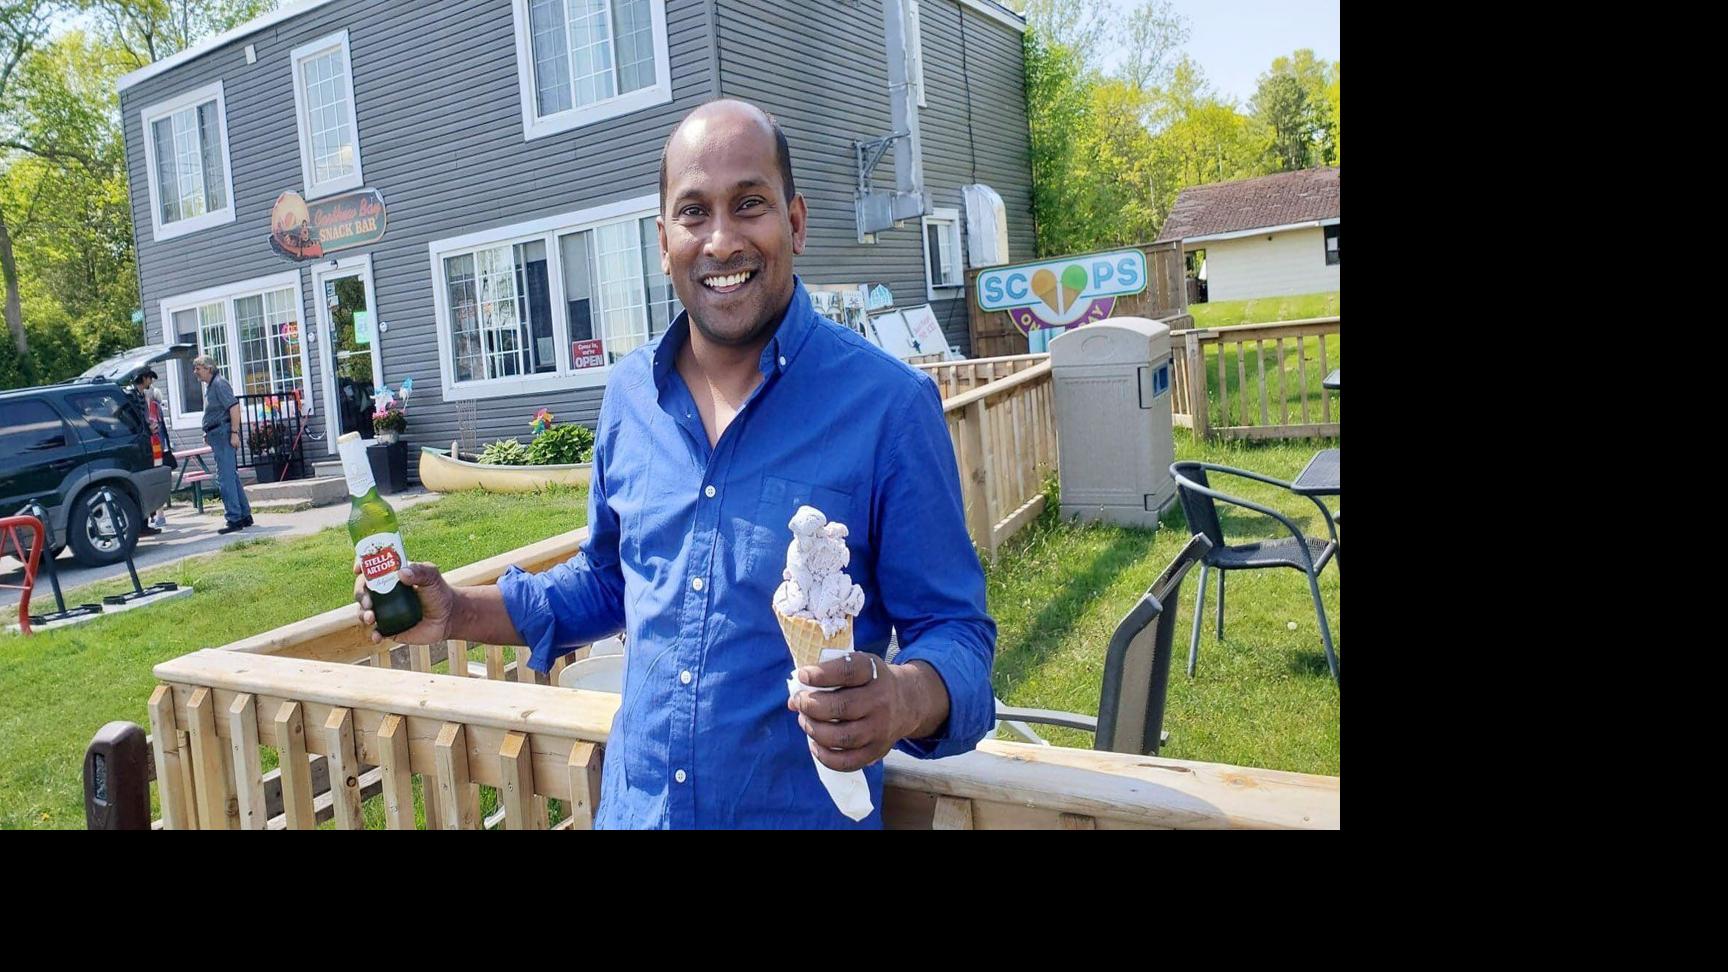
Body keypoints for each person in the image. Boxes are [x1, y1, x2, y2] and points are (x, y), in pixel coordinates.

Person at [354, 100, 995, 829]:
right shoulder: (631, 397)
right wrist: (460, 611)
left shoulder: (888, 408)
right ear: (664, 241)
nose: (721, 241)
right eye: (693, 213)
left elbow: (959, 636)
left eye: (749, 204)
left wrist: (905, 696)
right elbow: (608, 583)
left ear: (797, 221)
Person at [192, 355, 253, 535]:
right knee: (231, 476)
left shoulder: (219, 384)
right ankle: (244, 515)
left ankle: (234, 518)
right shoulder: (212, 386)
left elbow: (234, 408)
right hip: (217, 434)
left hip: (224, 434)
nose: (195, 372)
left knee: (225, 478)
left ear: (209, 368)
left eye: (198, 368)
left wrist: (234, 433)